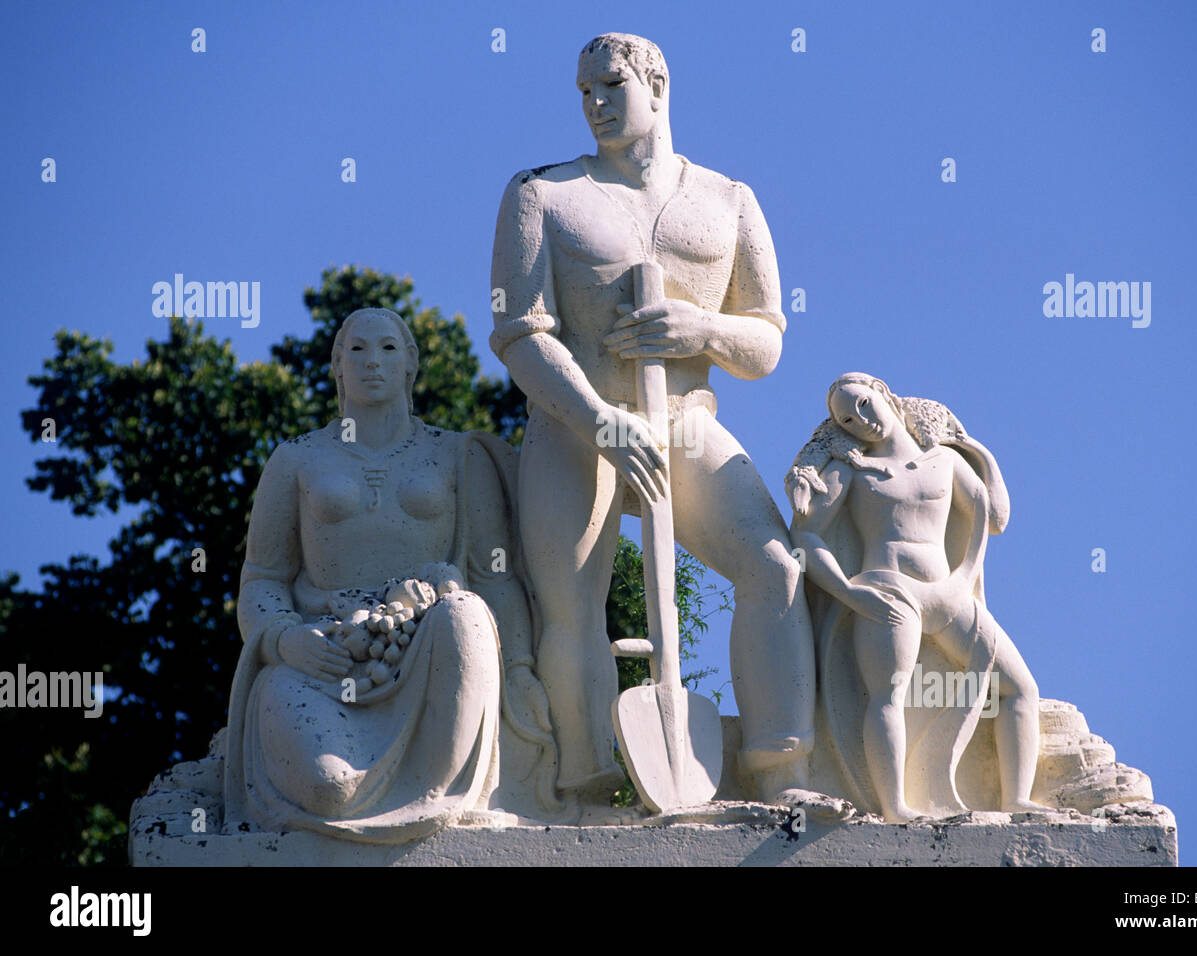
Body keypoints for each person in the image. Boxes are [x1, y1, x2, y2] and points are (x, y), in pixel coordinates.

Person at [490, 33, 828, 814]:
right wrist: (600, 421)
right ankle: (582, 781)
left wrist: (700, 331)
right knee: (571, 603)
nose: (594, 105)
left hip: (683, 422)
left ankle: (781, 769)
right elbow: (518, 331)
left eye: (610, 86)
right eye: (583, 93)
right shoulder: (542, 193)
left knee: (773, 566)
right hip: (578, 426)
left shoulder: (727, 199)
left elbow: (767, 340)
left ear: (657, 84)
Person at [223, 307, 557, 842]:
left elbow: (494, 577)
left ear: (411, 365)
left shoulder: (456, 455)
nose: (371, 362)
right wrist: (285, 640)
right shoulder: (296, 459)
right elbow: (262, 580)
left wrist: (518, 668)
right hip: (323, 659)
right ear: (336, 366)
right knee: (332, 788)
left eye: (387, 348)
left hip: (430, 654)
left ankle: (438, 800)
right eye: (356, 349)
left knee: (467, 612)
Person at [787, 372, 1050, 821]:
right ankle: (895, 807)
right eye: (847, 419)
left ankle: (1017, 800)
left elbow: (995, 517)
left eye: (865, 404)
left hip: (950, 594)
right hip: (888, 594)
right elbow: (805, 535)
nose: (862, 420)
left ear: (885, 394)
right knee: (887, 694)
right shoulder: (849, 470)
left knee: (1020, 688)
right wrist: (849, 592)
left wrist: (976, 451)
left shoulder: (943, 461)